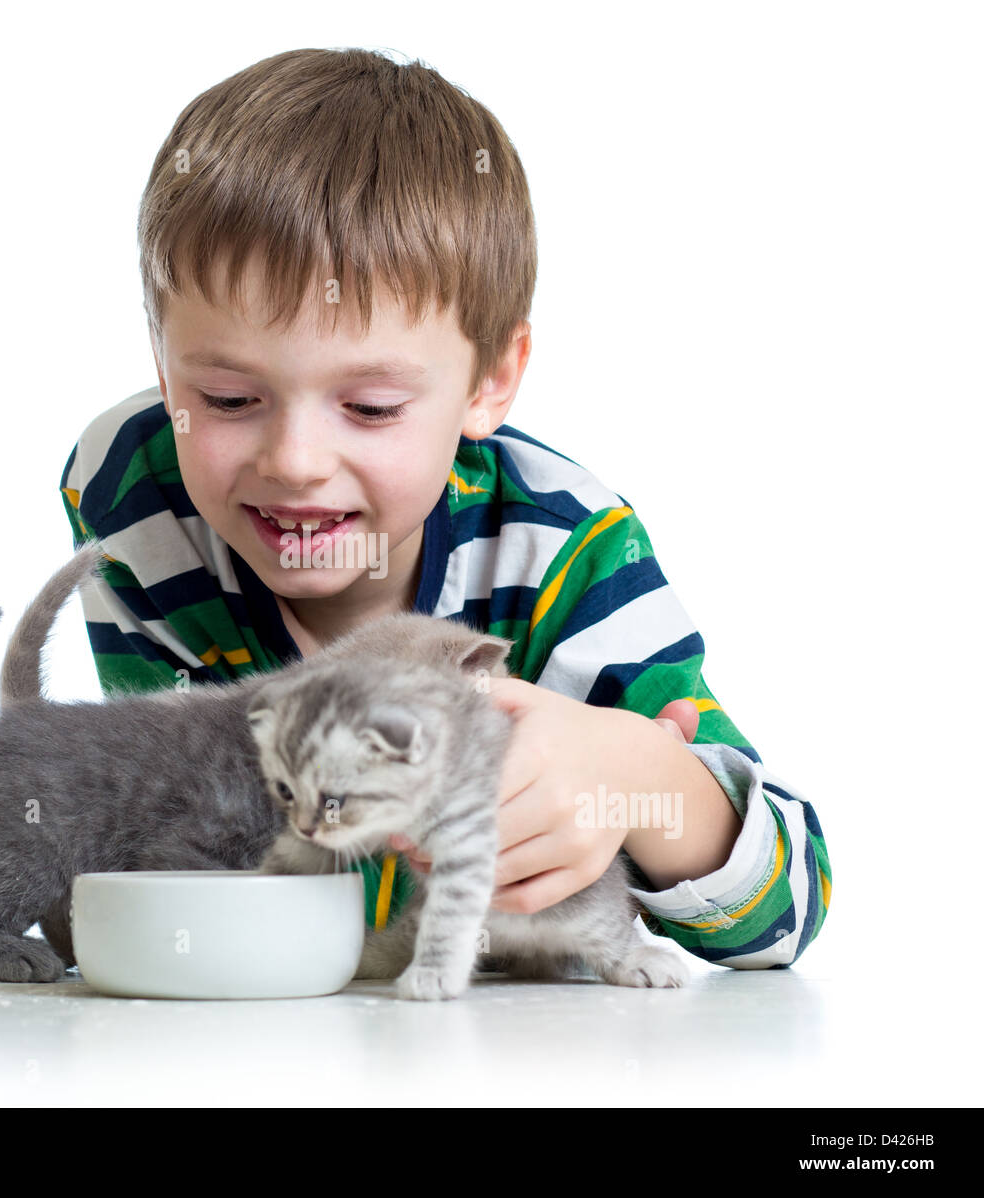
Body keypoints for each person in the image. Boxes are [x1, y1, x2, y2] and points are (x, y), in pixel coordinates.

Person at [60, 48, 829, 968]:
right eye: (227, 399)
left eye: (372, 408)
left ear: (490, 383)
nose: (296, 462)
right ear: (162, 366)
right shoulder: (134, 495)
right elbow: (181, 842)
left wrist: (636, 775)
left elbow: (792, 909)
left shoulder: (564, 548)